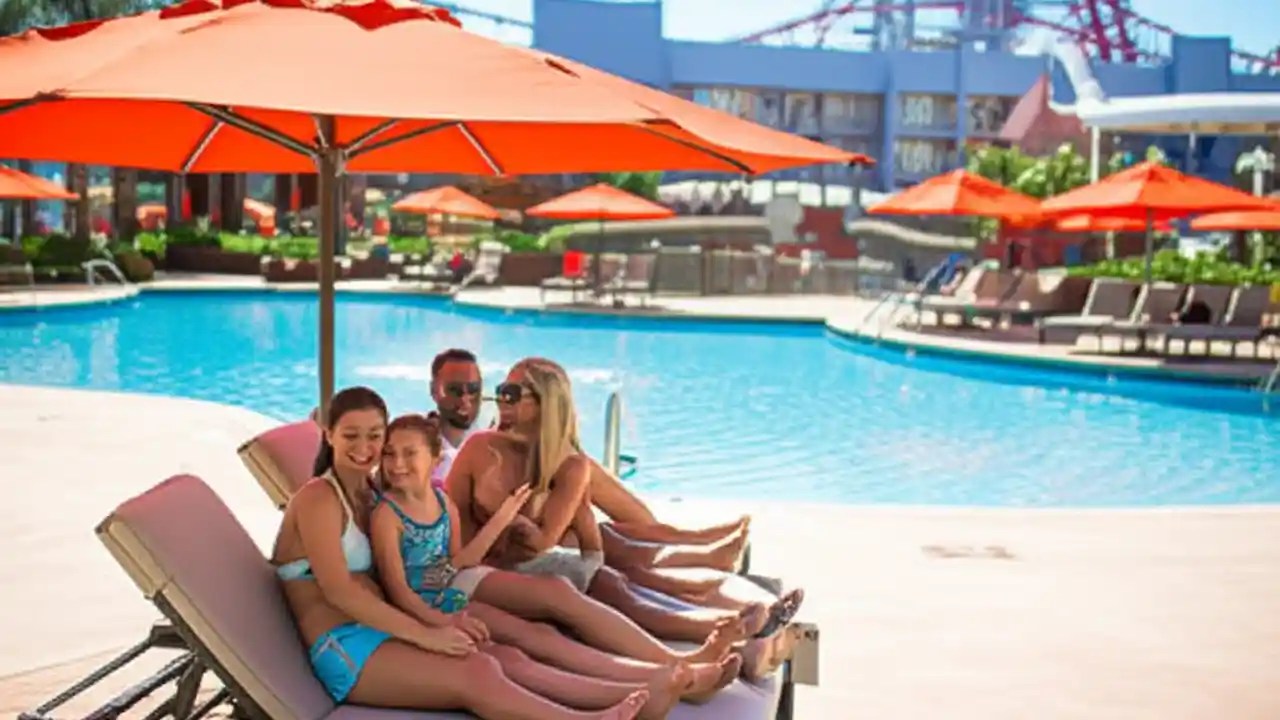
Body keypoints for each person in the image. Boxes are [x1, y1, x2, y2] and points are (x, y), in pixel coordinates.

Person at [271, 386, 646, 720]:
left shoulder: (371, 494)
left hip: (381, 627)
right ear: (329, 434)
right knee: (477, 674)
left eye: (374, 436)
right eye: (350, 435)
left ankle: (634, 692)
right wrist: (426, 632)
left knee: (501, 656)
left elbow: (415, 568)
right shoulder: (319, 498)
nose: (364, 447)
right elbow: (340, 591)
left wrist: (445, 613)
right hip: (343, 648)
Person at [448, 359, 800, 681]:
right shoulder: (480, 449)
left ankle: (738, 631)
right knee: (593, 579)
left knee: (611, 583)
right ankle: (701, 639)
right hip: (479, 567)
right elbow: (449, 525)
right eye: (501, 392)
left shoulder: (568, 465)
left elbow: (546, 542)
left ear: (545, 404)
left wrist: (562, 518)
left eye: (511, 393)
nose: (500, 400)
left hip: (532, 564)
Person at [371, 413, 740, 709]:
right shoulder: (387, 515)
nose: (397, 463)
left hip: (450, 592)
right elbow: (398, 591)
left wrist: (503, 516)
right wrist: (442, 622)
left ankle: (675, 672)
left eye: (409, 454)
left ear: (434, 458)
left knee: (540, 631)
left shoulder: (442, 505)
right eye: (389, 453)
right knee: (515, 650)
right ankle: (646, 688)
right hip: (429, 606)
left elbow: (459, 560)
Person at [429, 348, 751, 573]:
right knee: (603, 534)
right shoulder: (426, 434)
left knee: (597, 520)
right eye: (454, 390)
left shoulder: (498, 431)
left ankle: (695, 543)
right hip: (484, 540)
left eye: (475, 388)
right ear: (434, 391)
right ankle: (694, 547)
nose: (466, 398)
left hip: (531, 515)